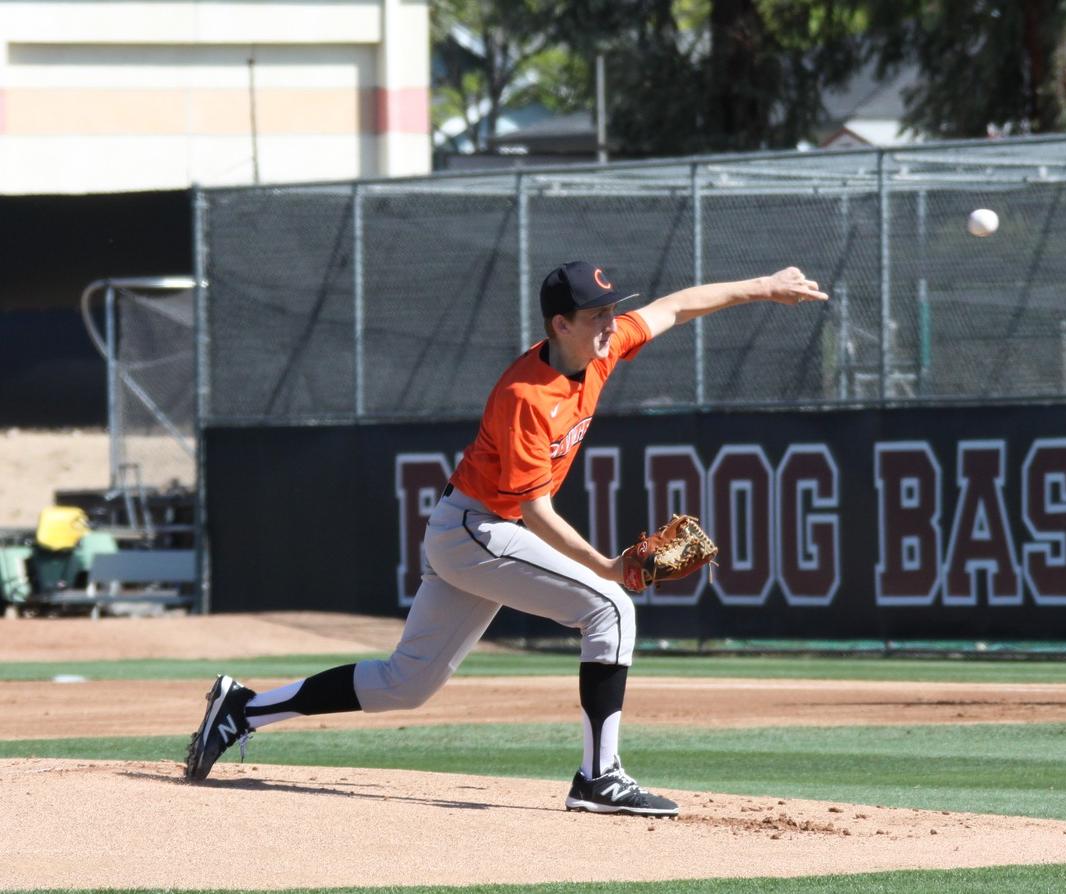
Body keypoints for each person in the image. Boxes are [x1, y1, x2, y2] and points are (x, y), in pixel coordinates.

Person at [184, 261, 828, 815]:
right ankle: (599, 777)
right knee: (610, 608)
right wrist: (606, 565)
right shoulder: (525, 395)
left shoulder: (599, 351)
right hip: (477, 529)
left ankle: (242, 709)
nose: (611, 322)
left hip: (473, 529)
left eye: (611, 310)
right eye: (597, 313)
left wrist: (765, 286)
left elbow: (677, 306)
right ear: (561, 326)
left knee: (406, 683)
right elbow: (538, 513)